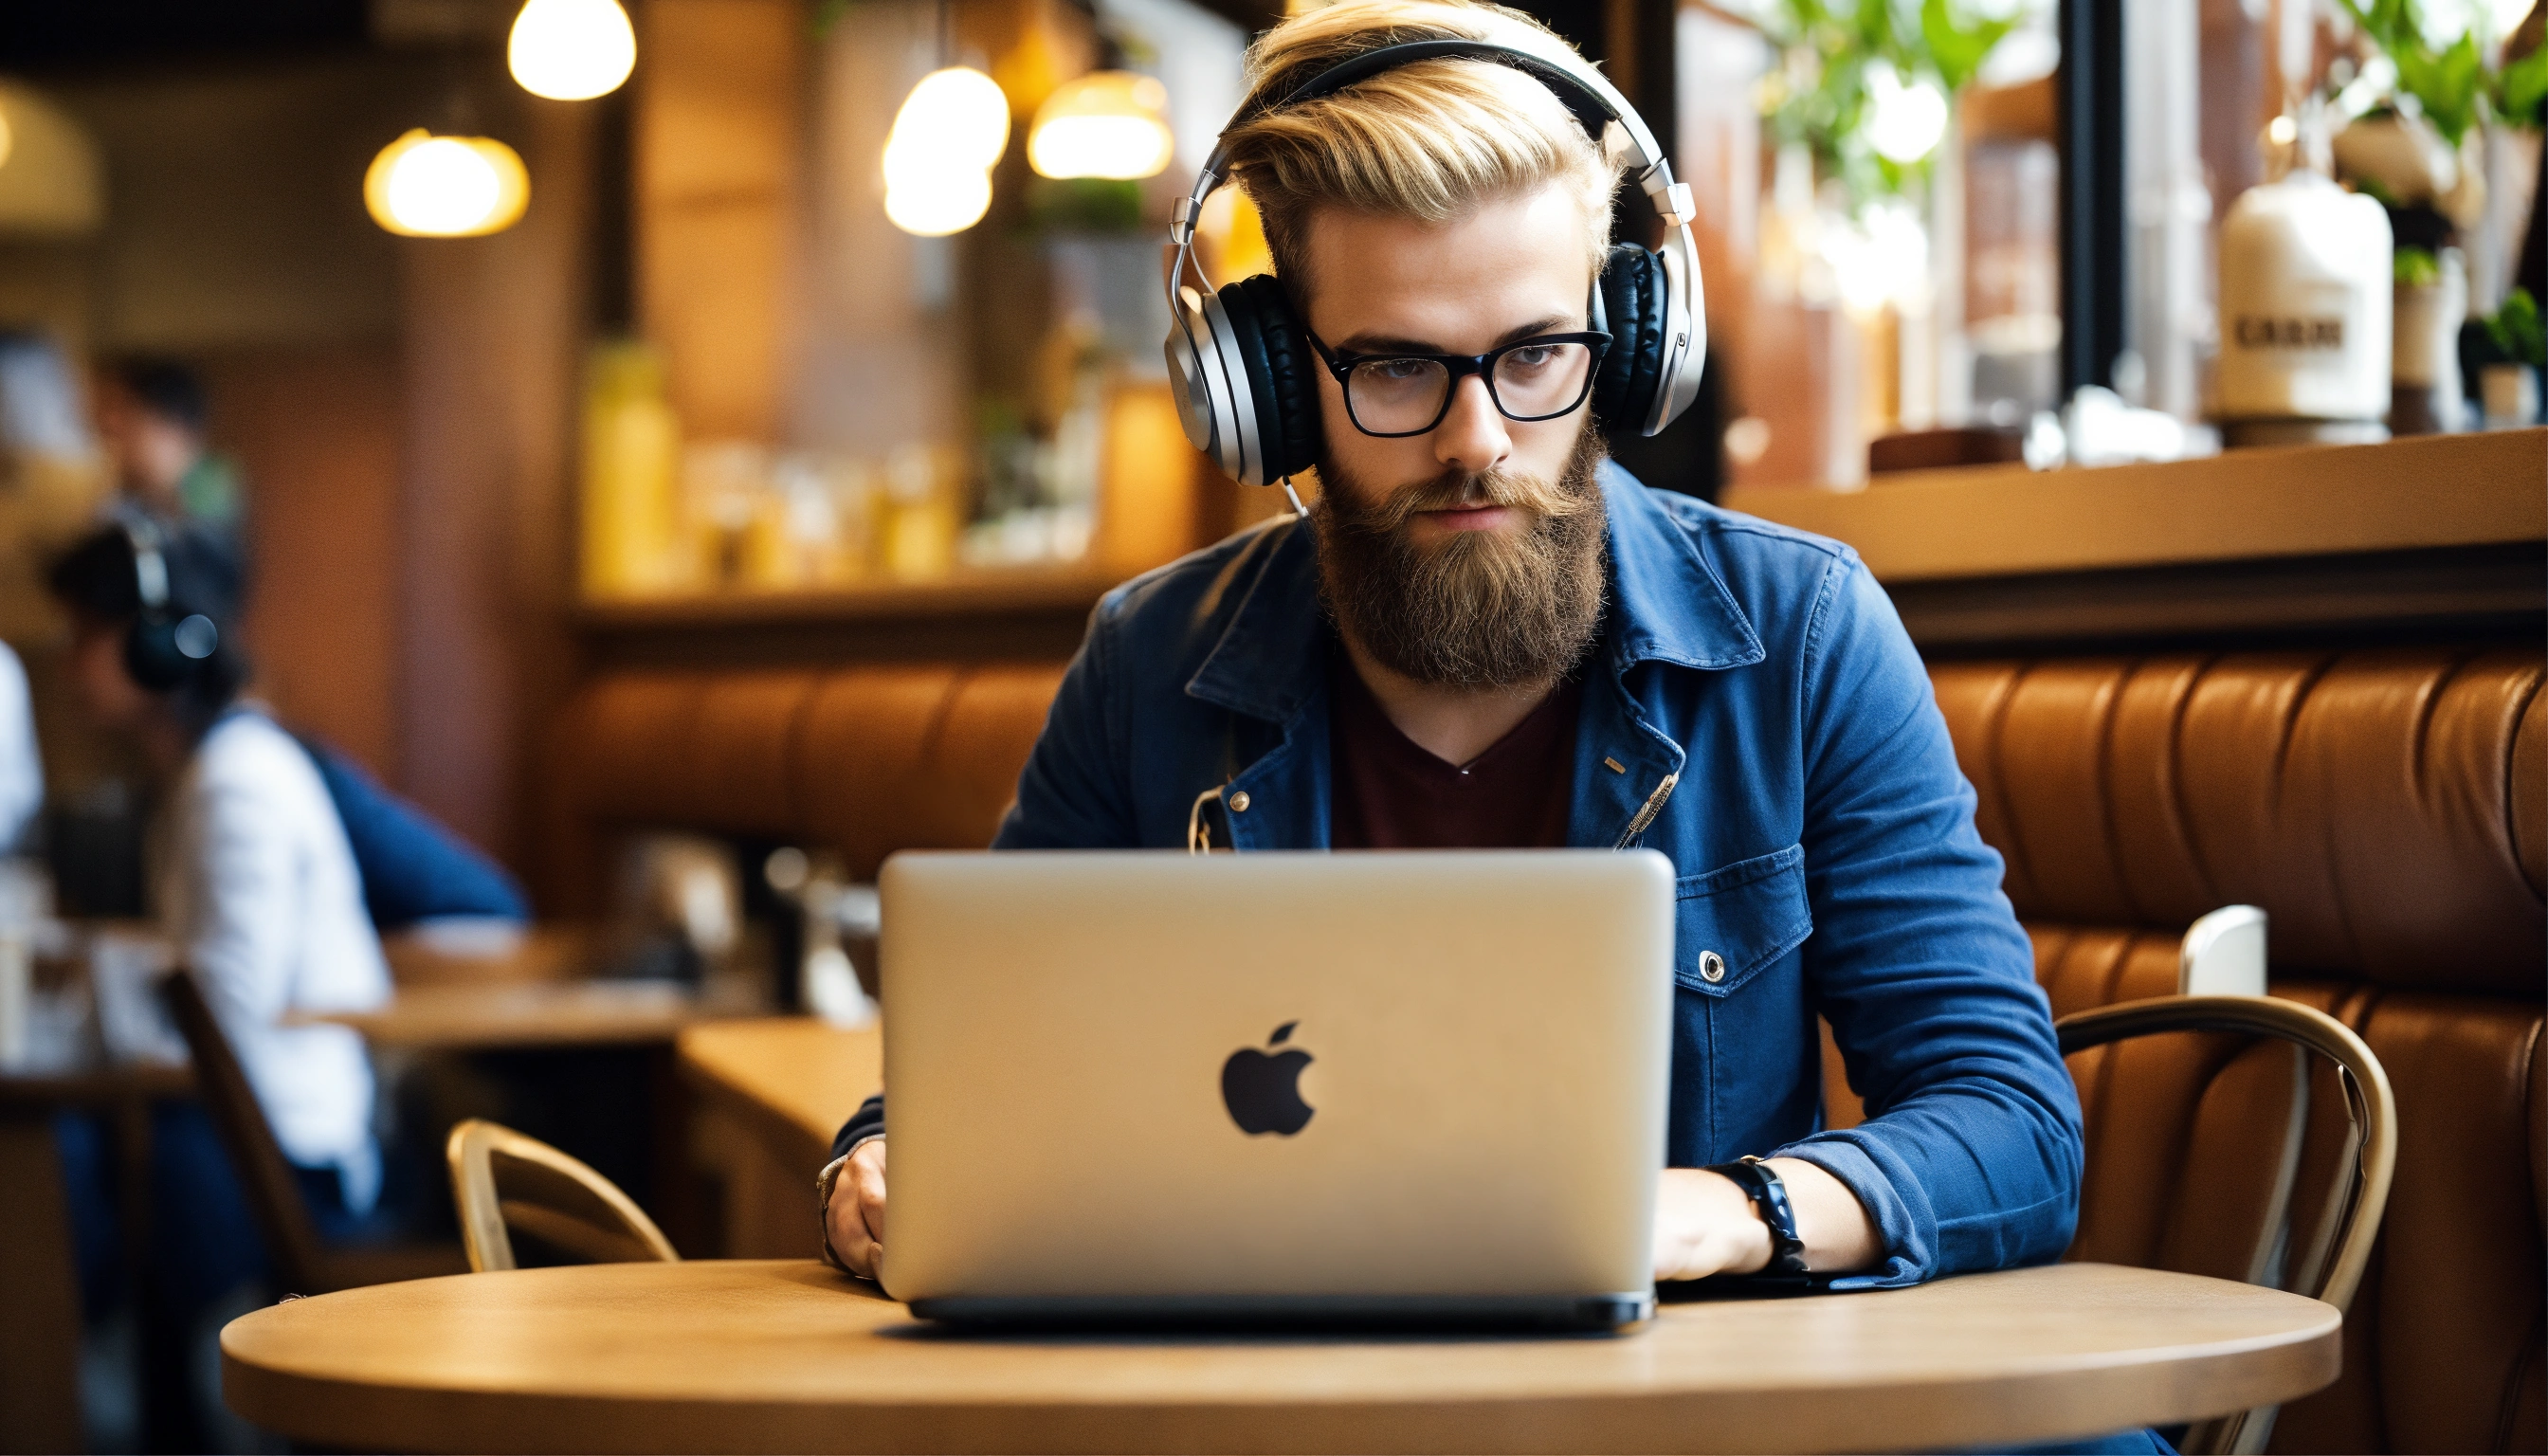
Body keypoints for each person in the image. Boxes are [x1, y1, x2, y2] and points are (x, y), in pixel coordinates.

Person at [827, 4, 2131, 1444]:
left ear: (1630, 344)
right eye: (1394, 367)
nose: (1478, 441)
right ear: (1270, 381)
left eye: (1534, 354)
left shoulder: (1802, 636)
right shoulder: (1151, 668)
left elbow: (2010, 1125)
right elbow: (959, 1104)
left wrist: (1721, 1215)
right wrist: (881, 1175)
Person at [47, 522, 391, 1418]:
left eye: (89, 634)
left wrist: (86, 976)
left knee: (81, 1171)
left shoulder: (239, 781)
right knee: (83, 1161)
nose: (71, 660)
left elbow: (223, 1011)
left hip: (289, 1148)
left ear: (165, 642)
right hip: (242, 1126)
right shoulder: (206, 775)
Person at [92, 356, 246, 569]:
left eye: (127, 414)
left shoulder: (210, 488)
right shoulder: (123, 499)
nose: (108, 426)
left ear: (174, 430)